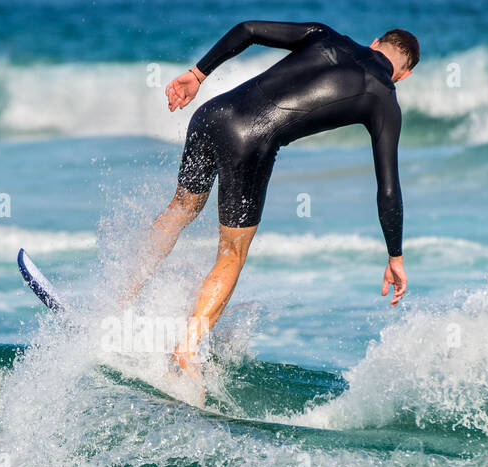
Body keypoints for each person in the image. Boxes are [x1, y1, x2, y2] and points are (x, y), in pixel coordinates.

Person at [129, 20, 418, 373]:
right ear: (404, 75)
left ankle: (121, 299)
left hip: (211, 115)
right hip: (249, 142)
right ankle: (186, 352)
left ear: (375, 43)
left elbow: (248, 29)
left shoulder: (324, 34)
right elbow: (388, 188)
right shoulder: (384, 97)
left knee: (181, 209)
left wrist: (197, 74)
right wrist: (395, 255)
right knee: (232, 253)